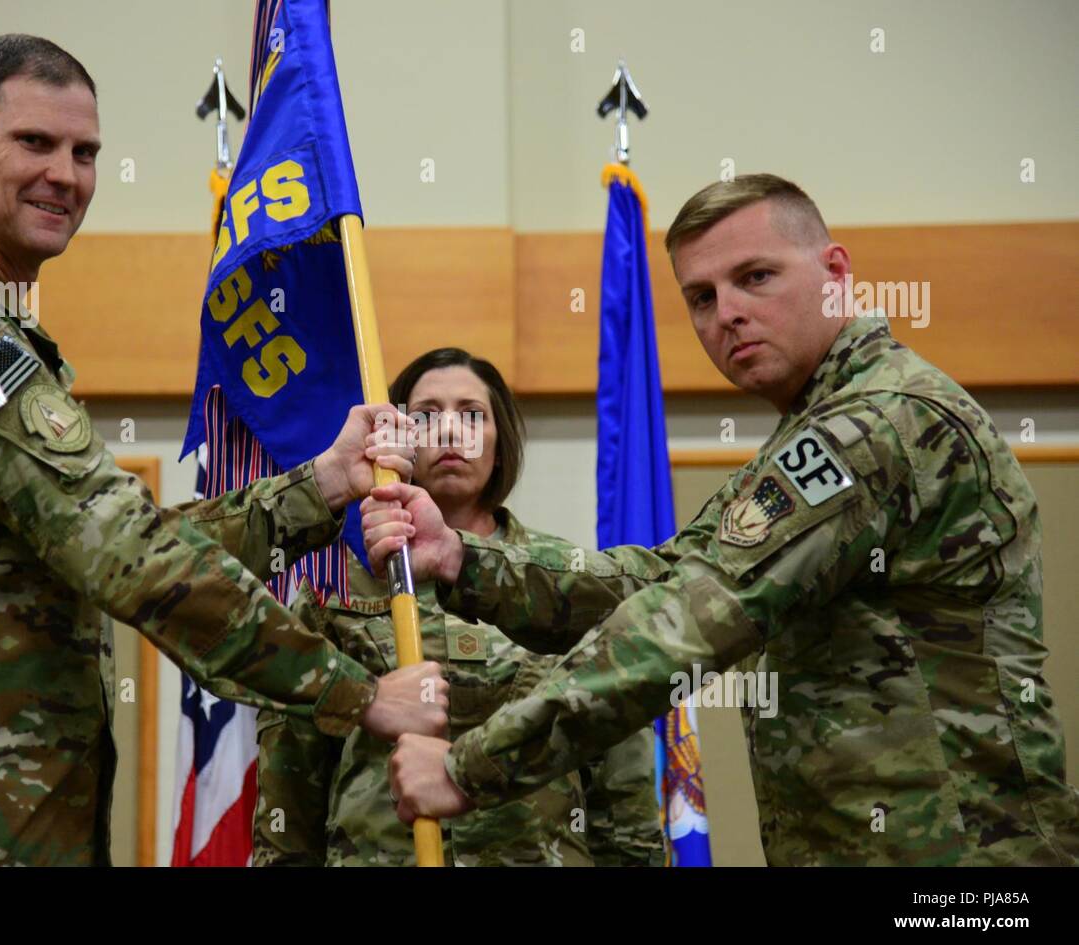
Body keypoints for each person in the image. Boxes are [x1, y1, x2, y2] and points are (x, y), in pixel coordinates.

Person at [0, 35, 447, 867]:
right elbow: (128, 555)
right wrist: (358, 697)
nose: (66, 173)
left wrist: (320, 486)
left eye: (85, 152)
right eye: (35, 143)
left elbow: (109, 538)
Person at [368, 174, 1079, 865]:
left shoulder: (877, 426)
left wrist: (468, 768)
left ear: (834, 271)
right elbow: (667, 578)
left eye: (756, 277)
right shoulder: (812, 432)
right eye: (702, 297)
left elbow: (685, 622)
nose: (727, 313)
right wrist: (465, 559)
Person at [254, 349, 662, 866]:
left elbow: (621, 780)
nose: (450, 432)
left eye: (472, 414)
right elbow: (289, 796)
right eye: (425, 416)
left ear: (500, 441)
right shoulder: (331, 587)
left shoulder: (565, 584)